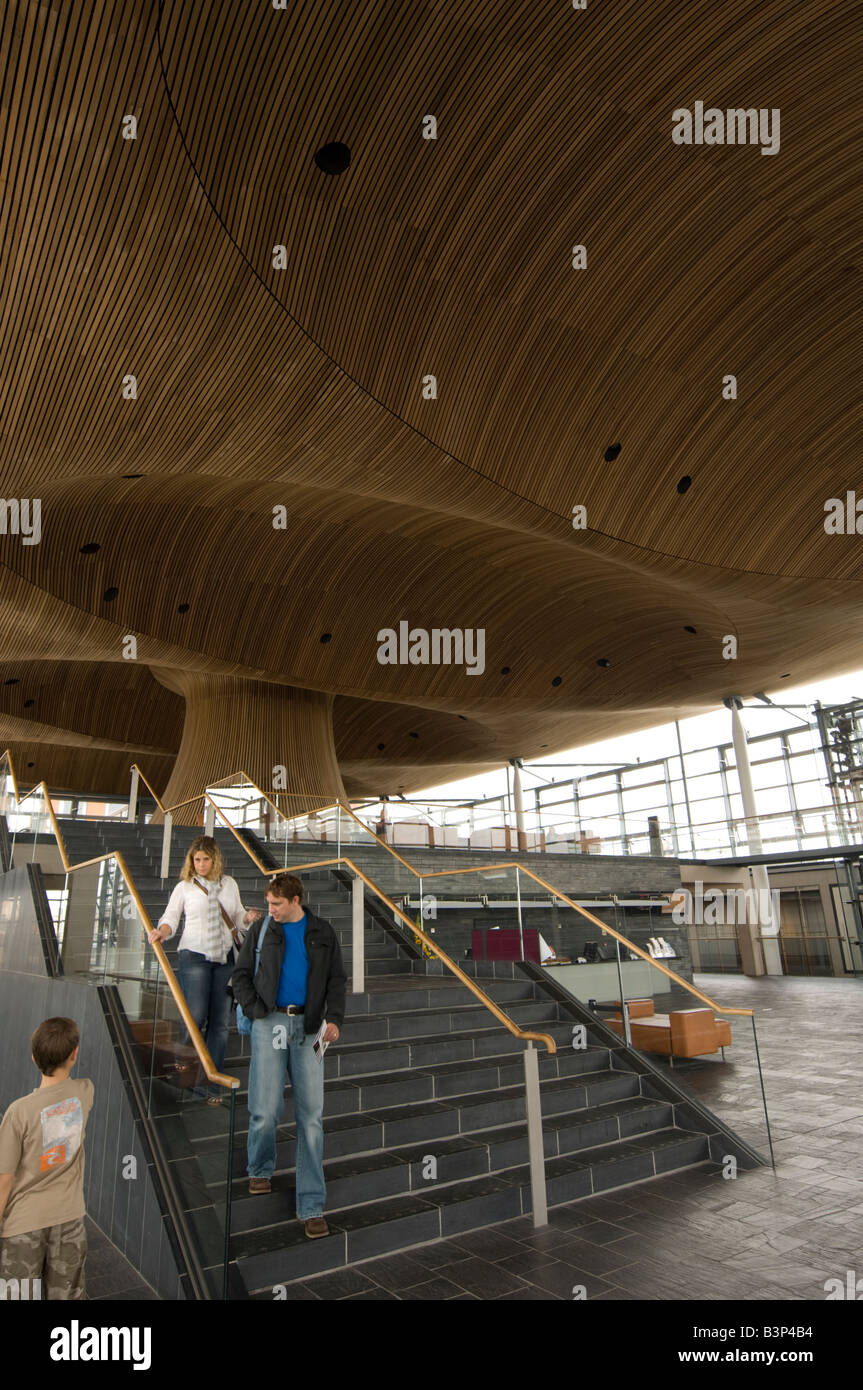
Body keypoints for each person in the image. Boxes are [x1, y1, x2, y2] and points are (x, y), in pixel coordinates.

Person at [231, 872, 345, 1238]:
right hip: (270, 1023)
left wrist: (336, 1019)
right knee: (265, 1108)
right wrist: (254, 1010)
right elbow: (241, 974)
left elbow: (336, 981)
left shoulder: (323, 933)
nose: (270, 910)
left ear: (295, 900)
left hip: (308, 1029)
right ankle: (260, 1168)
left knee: (311, 1117)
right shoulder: (262, 929)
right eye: (268, 904)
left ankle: (311, 1205)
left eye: (276, 904)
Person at [147, 835, 262, 1103]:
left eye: (205, 859)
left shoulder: (228, 884)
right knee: (195, 1017)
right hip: (194, 956)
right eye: (196, 859)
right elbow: (171, 917)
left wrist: (246, 918)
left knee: (220, 1024)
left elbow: (236, 917)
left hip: (224, 958)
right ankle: (182, 1071)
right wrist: (162, 932)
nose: (200, 864)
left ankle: (210, 1083)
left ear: (215, 859)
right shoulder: (185, 887)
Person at [0, 1017, 94, 1300]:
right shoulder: (85, 1093)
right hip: (70, 1217)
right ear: (74, 1054)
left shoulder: (19, 1112)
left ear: (32, 1058)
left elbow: (5, 1179)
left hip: (23, 1224)